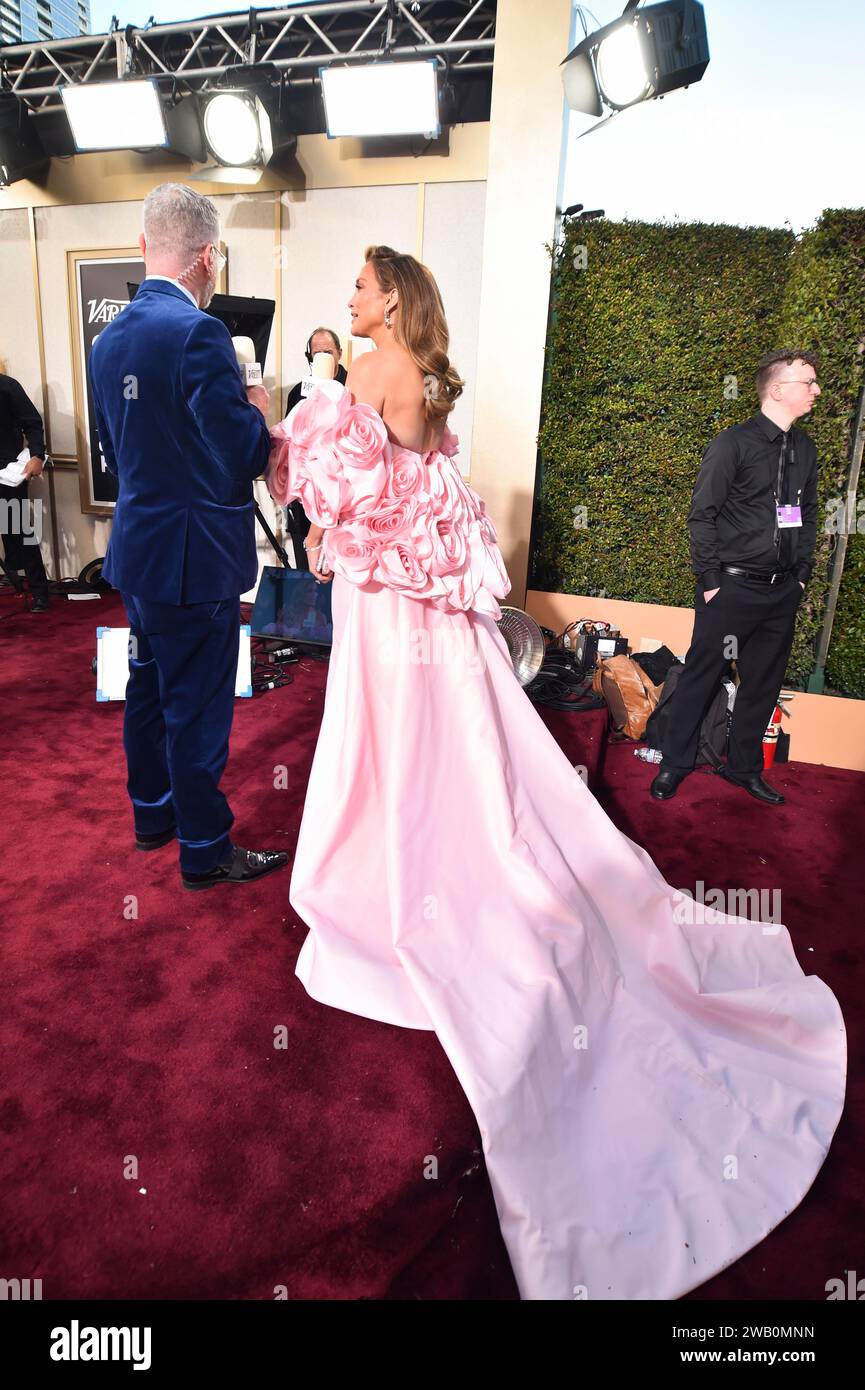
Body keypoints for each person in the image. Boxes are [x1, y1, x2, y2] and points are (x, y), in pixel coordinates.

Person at [265, 250, 845, 1300]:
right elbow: (431, 504)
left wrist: (320, 514)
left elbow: (356, 510)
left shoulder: (367, 375)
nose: (348, 301)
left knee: (387, 754)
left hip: (391, 617)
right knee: (453, 760)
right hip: (430, 615)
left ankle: (388, 894)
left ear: (389, 298)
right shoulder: (429, 381)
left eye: (359, 287)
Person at [89, 183, 288, 892]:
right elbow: (240, 454)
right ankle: (204, 849)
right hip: (195, 560)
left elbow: (113, 448)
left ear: (146, 247)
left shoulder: (106, 339)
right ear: (208, 257)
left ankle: (153, 818)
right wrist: (258, 409)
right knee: (196, 709)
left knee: (146, 689)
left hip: (137, 552)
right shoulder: (201, 334)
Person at [652, 351, 820, 804]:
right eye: (809, 381)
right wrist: (711, 579)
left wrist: (801, 575)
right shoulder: (732, 445)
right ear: (778, 389)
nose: (816, 390)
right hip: (729, 589)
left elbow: (807, 515)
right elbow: (701, 516)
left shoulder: (804, 448)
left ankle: (743, 768)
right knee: (702, 675)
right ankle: (674, 763)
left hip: (781, 592)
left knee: (763, 683)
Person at [283, 328, 348, 571]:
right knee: (306, 575)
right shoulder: (299, 392)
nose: (321, 359)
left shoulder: (353, 386)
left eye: (328, 353)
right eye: (316, 354)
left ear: (339, 354)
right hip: (304, 499)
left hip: (340, 500)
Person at [0, 358, 50, 612]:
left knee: (21, 530)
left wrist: (37, 456)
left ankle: (40, 591)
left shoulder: (7, 387)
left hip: (8, 472)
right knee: (8, 531)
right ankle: (12, 572)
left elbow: (32, 423)